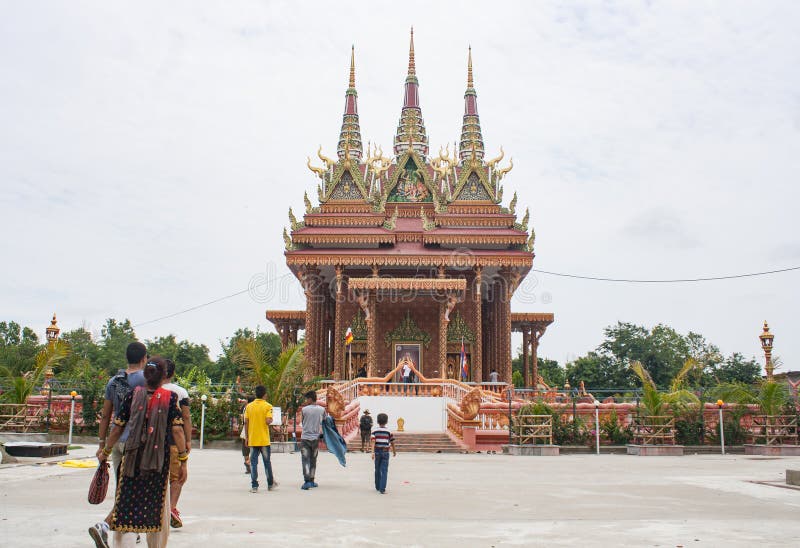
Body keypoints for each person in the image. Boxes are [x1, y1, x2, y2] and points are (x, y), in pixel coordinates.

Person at [95, 356, 188, 548]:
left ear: (146, 375)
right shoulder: (170, 398)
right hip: (158, 463)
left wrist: (105, 450)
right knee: (158, 507)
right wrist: (183, 460)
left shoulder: (133, 395)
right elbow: (178, 431)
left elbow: (118, 427)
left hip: (131, 460)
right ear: (164, 376)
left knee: (126, 506)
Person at [89, 341, 147, 548]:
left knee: (122, 487)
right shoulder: (145, 379)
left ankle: (131, 528)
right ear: (144, 359)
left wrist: (102, 444)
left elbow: (106, 415)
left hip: (116, 441)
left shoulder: (113, 381)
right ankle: (104, 526)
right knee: (134, 490)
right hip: (136, 442)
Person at [162, 359, 192, 528]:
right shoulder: (180, 392)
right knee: (178, 477)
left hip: (153, 442)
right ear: (173, 373)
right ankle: (172, 507)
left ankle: (158, 508)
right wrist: (188, 440)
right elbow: (185, 417)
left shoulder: (150, 390)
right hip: (174, 441)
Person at [244, 385, 276, 493]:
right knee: (267, 462)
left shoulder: (249, 406)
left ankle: (254, 486)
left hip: (253, 439)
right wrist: (270, 419)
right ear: (265, 395)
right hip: (264, 440)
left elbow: (246, 422)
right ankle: (270, 484)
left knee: (253, 463)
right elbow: (268, 421)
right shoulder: (268, 406)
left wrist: (246, 437)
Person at [299, 390, 325, 490]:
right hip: (315, 438)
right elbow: (325, 421)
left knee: (305, 460)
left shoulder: (304, 410)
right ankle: (312, 480)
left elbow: (302, 422)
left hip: (305, 438)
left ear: (310, 399)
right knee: (313, 460)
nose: (306, 401)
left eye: (306, 399)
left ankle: (306, 482)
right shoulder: (322, 410)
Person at [371, 412, 396, 494]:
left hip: (377, 452)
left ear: (377, 421)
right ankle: (382, 489)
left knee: (377, 469)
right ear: (387, 421)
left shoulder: (374, 431)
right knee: (384, 470)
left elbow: (373, 442)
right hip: (385, 452)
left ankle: (377, 486)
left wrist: (372, 452)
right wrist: (394, 451)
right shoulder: (388, 431)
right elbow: (392, 442)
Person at [240, 396, 255, 474]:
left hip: (244, 431)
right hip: (252, 430)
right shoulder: (253, 408)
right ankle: (249, 462)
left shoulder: (244, 408)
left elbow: (243, 420)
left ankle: (248, 465)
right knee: (255, 449)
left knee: (245, 450)